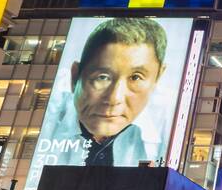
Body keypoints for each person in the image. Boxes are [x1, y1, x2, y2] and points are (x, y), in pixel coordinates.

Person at [49, 18, 170, 167]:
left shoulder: (171, 125)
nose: (114, 98)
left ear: (157, 78)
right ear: (75, 76)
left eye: (135, 77)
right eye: (102, 77)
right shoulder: (48, 114)